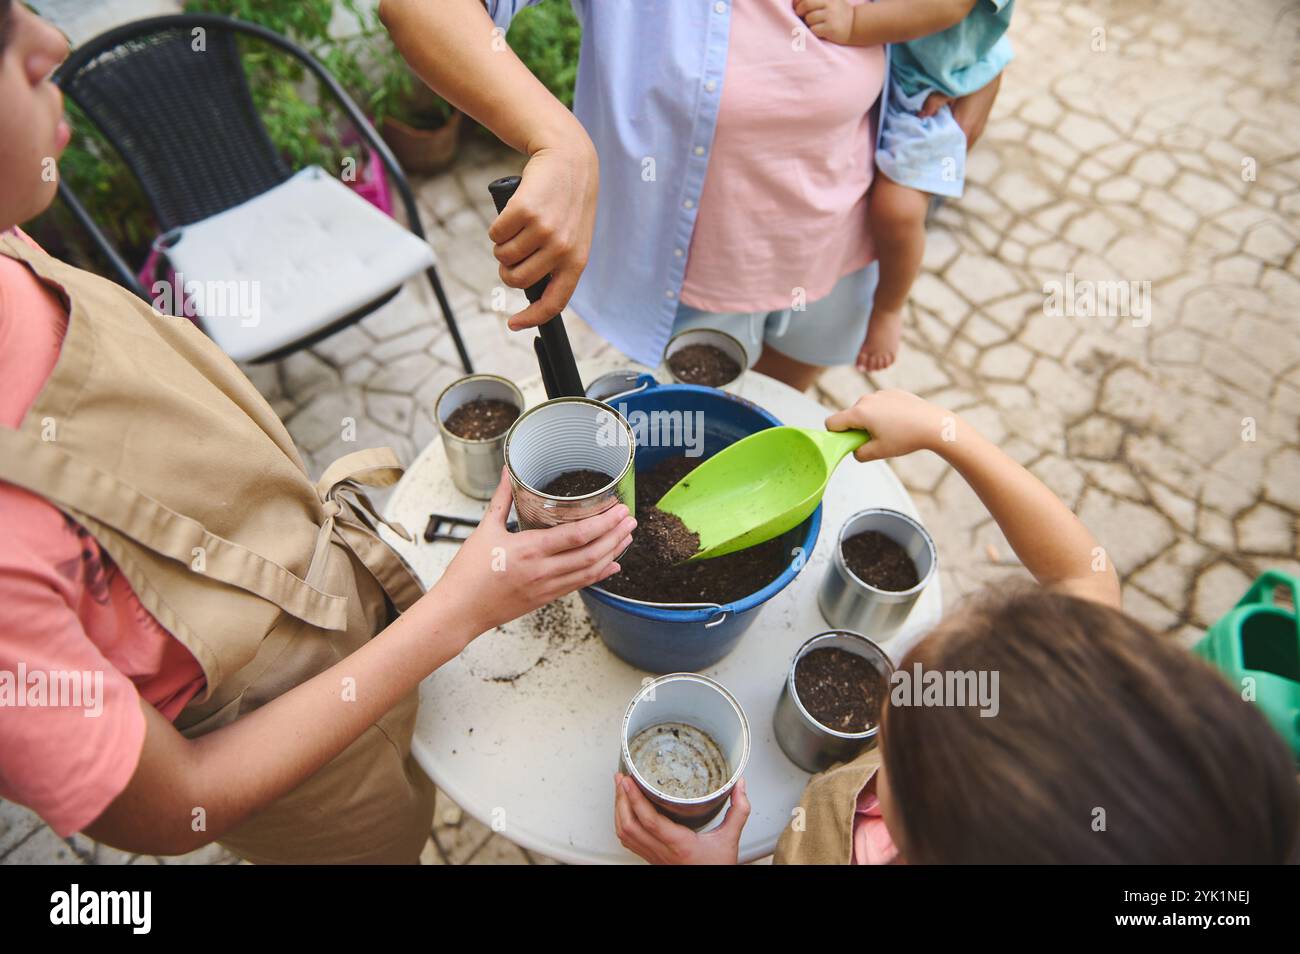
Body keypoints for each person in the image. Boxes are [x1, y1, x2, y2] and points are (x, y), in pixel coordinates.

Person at [0, 0, 635, 864]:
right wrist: (458, 611)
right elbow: (172, 806)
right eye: (3, 30)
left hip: (335, 588)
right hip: (276, 752)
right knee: (383, 839)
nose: (53, 42)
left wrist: (563, 143)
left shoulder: (12, 242)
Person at [613, 390, 1300, 864]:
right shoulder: (1084, 708)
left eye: (898, 753)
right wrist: (946, 432)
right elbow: (1084, 576)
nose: (888, 720)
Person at [380, 0, 1000, 392]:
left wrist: (969, 101)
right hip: (700, 267)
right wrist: (557, 142)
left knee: (783, 397)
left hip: (838, 238)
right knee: (693, 429)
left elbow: (982, 31)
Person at [797, 0, 1014, 371]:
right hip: (890, 59)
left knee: (898, 210)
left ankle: (888, 307)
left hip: (927, 90)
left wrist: (852, 21)